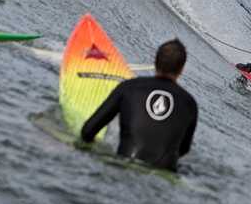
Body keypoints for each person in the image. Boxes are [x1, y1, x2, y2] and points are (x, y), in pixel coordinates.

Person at [80, 39, 198, 171]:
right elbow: (183, 149)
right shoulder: (189, 104)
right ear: (181, 69)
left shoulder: (129, 87)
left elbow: (88, 131)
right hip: (162, 177)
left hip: (123, 167)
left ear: (155, 61)